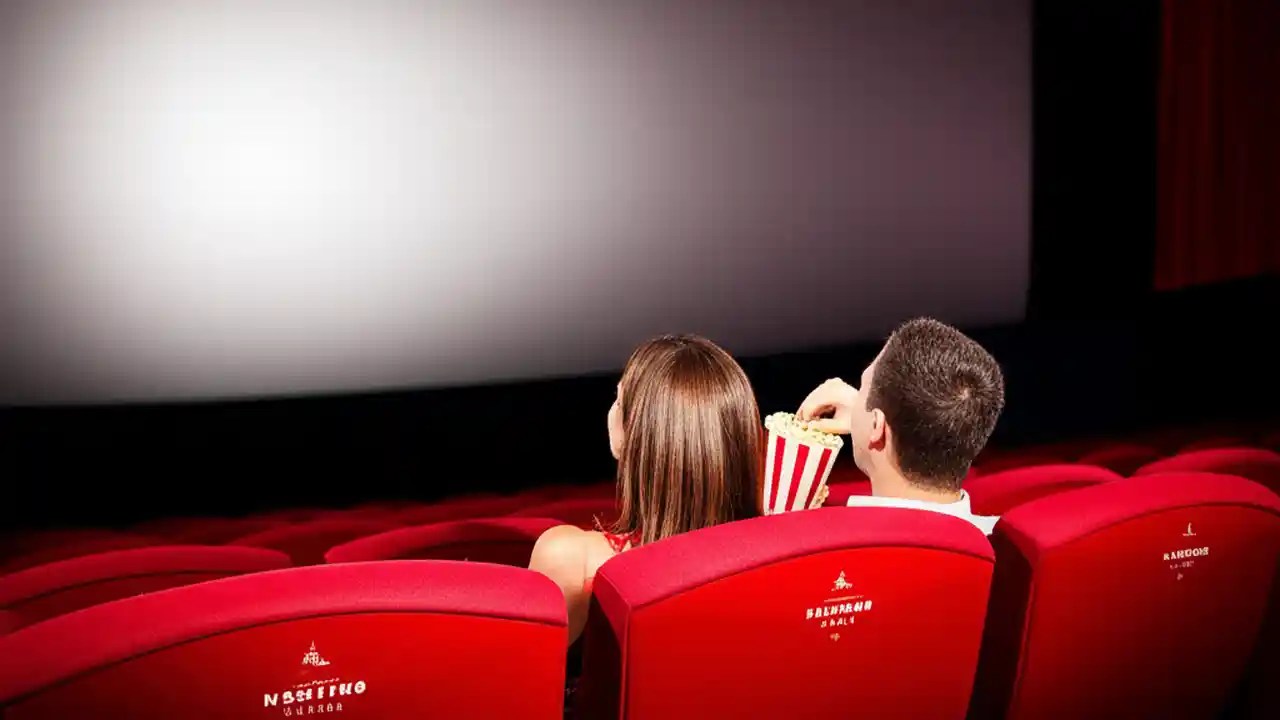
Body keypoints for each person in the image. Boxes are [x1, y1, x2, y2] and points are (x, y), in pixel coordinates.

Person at [529, 334, 763, 645]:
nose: (611, 410)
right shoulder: (777, 562)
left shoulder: (571, 558)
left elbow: (515, 686)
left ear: (638, 436)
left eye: (619, 399)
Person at [796, 317, 1005, 533]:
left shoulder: (820, 546)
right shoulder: (1010, 548)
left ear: (877, 427)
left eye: (862, 385)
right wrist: (866, 418)